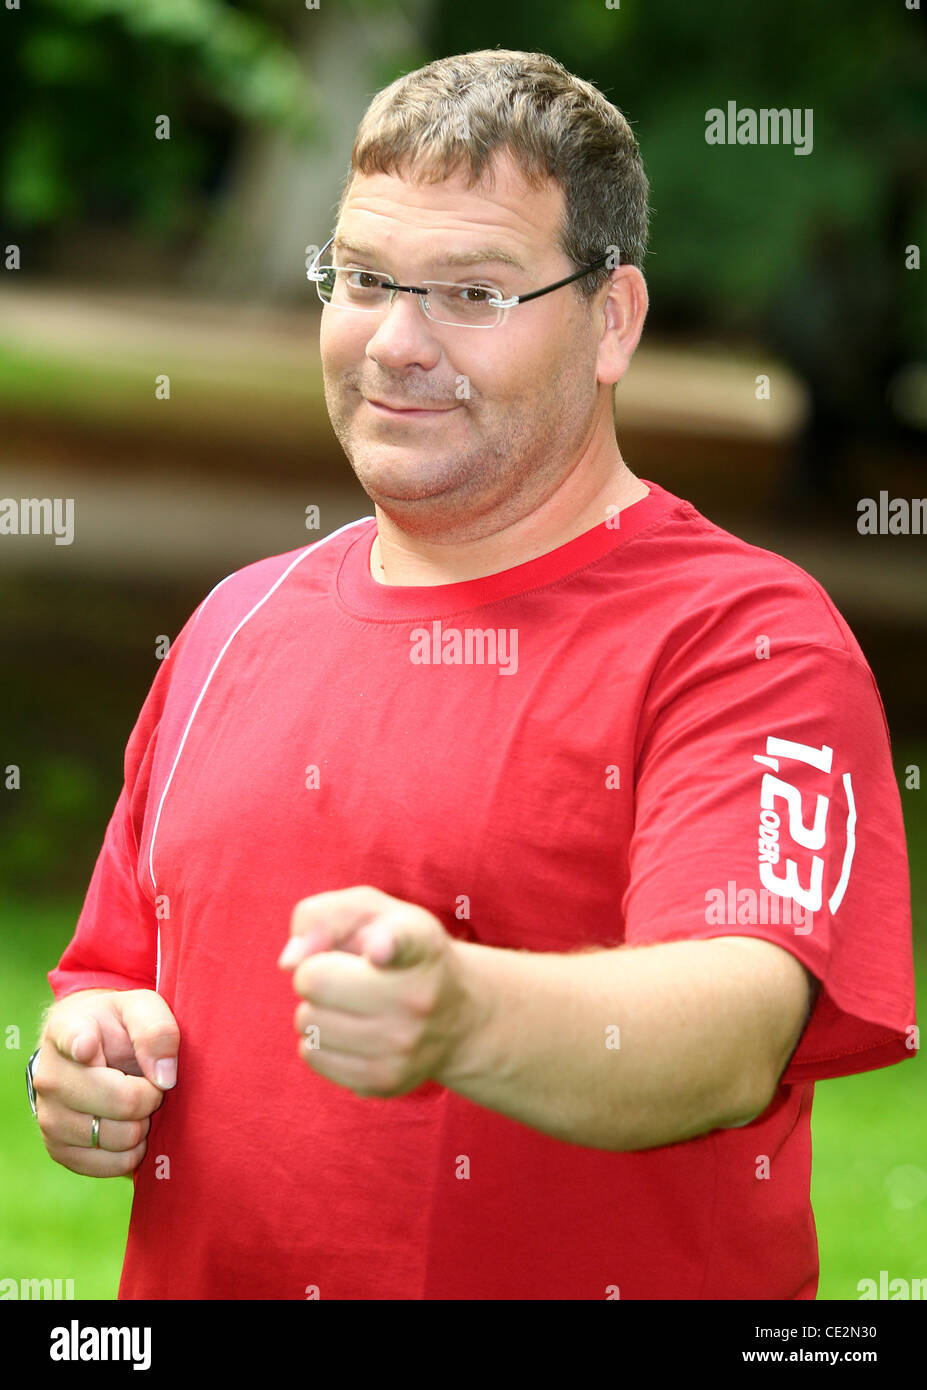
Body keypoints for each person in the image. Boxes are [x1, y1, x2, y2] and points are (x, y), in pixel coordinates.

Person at [33, 49, 915, 1300]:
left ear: (612, 320)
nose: (396, 343)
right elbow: (115, 976)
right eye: (366, 278)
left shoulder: (747, 637)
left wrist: (460, 1019)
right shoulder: (237, 620)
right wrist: (82, 1057)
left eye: (473, 294)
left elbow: (736, 1029)